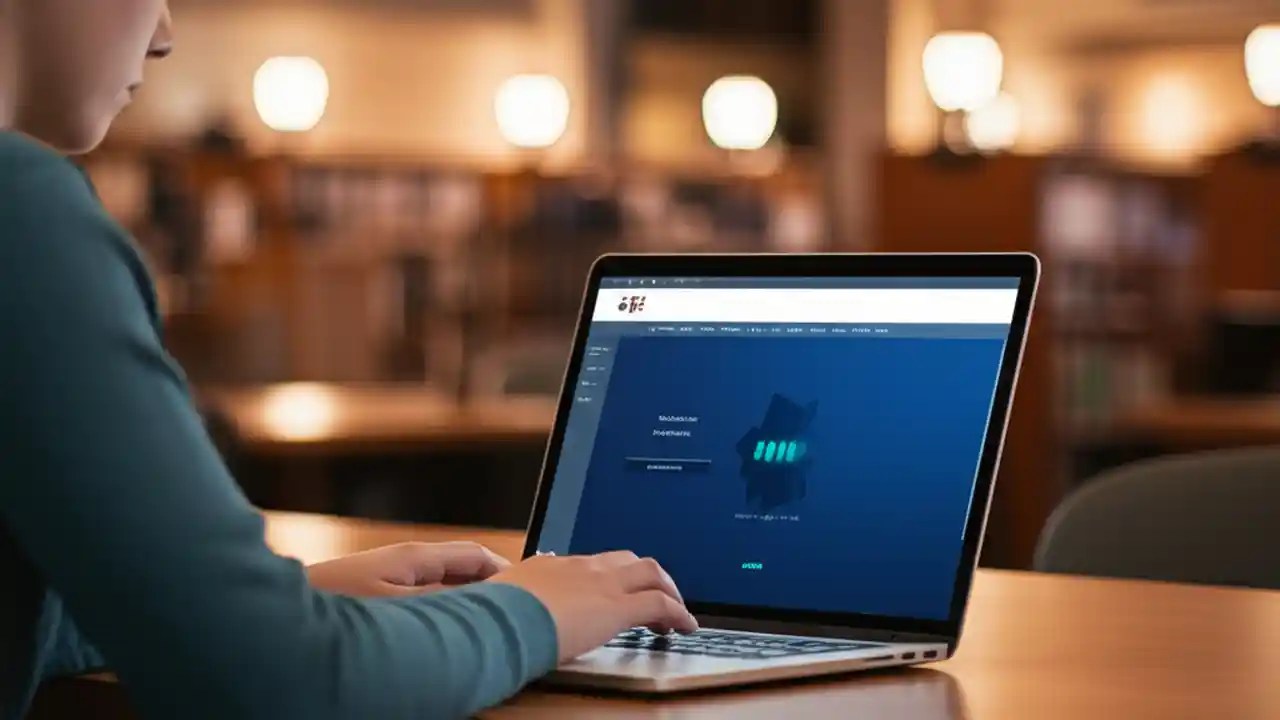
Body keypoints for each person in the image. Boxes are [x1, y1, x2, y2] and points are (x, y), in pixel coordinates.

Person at [0, 1, 696, 718]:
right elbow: (279, 681)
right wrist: (531, 613)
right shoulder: (22, 217)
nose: (167, 34)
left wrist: (285, 605)